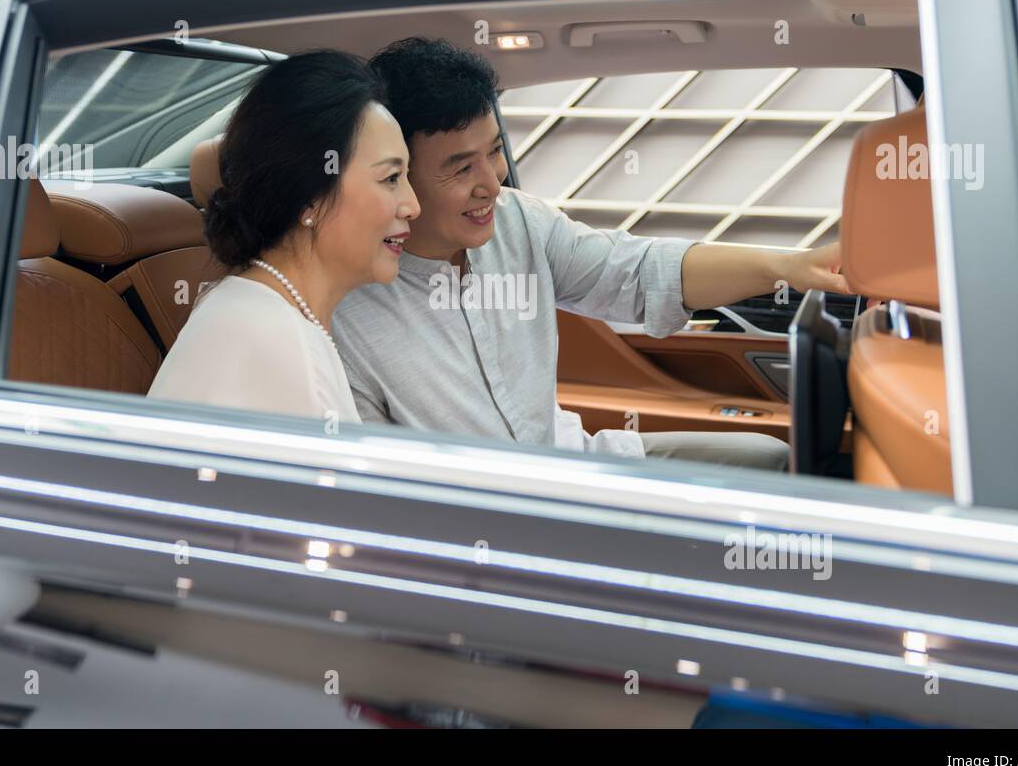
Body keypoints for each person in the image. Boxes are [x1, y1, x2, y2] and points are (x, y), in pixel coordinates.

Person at [332, 37, 850, 469]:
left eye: (495, 152)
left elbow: (639, 273)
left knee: (771, 461)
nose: (493, 183)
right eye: (461, 168)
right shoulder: (348, 312)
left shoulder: (519, 222)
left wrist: (791, 267)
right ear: (397, 171)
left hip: (579, 464)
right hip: (495, 522)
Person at [148, 50, 419, 423]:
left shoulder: (256, 309)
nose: (412, 205)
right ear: (309, 197)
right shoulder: (281, 344)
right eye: (390, 178)